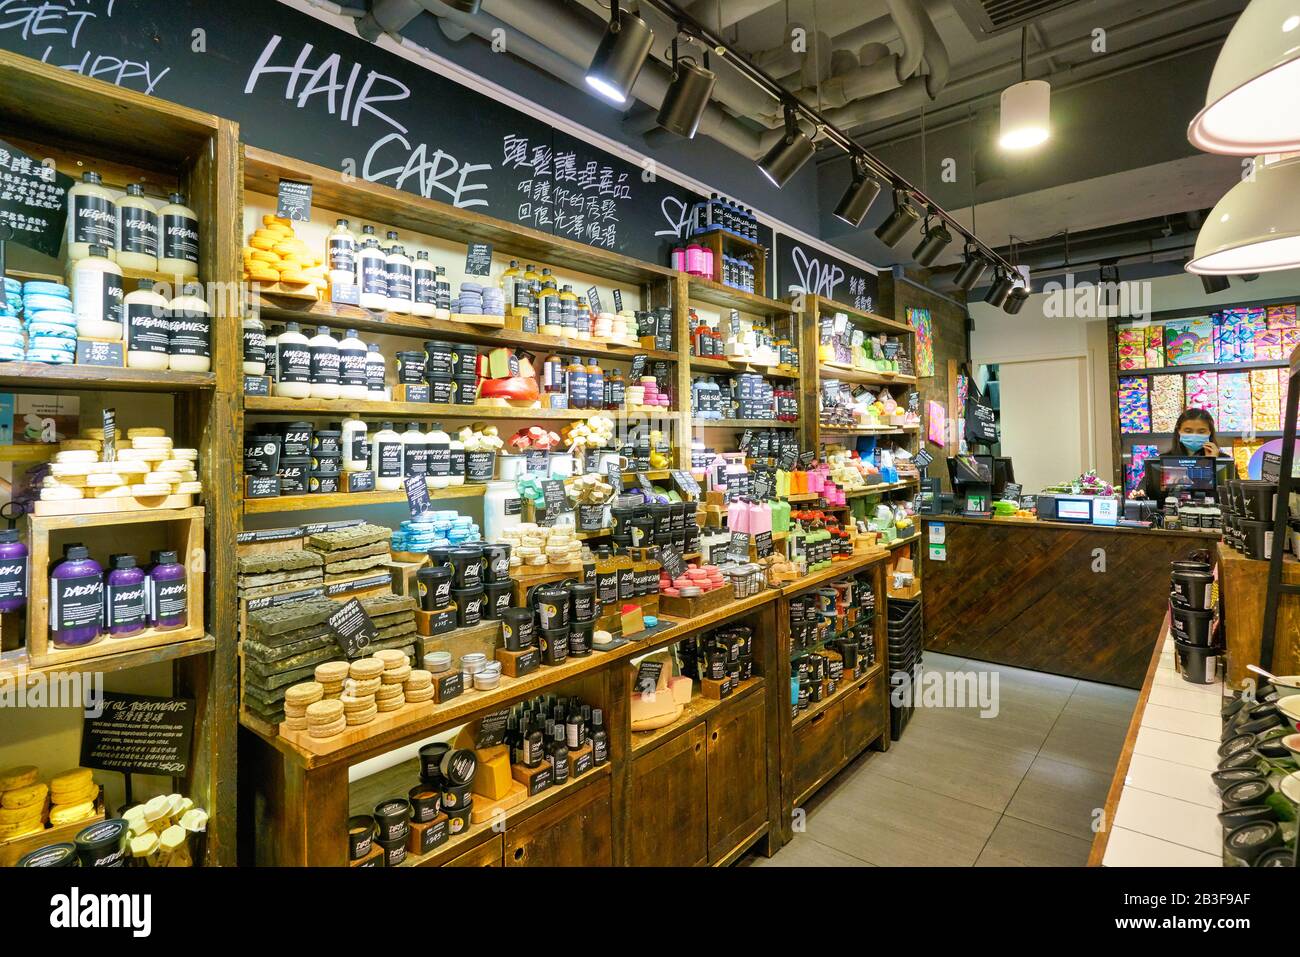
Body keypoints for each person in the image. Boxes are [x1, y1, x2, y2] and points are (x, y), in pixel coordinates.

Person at [1134, 407, 1234, 499]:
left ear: (1210, 433)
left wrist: (1211, 463)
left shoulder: (1223, 460)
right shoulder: (1164, 459)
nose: (1194, 435)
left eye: (1201, 431)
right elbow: (1147, 488)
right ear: (1179, 431)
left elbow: (1231, 497)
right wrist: (1139, 493)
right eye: (1188, 431)